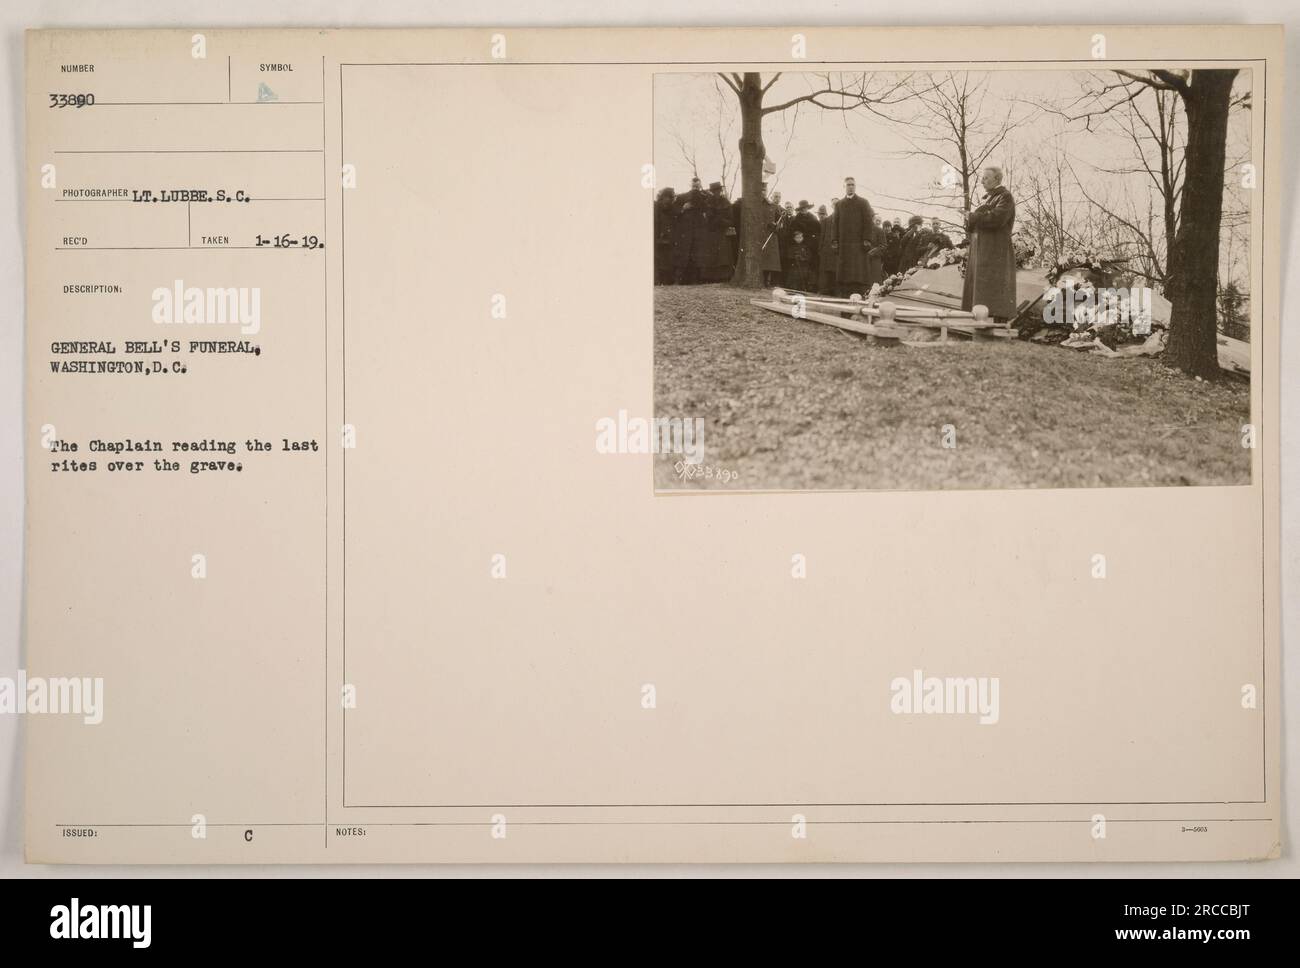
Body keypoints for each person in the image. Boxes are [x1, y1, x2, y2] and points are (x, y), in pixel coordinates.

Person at [961, 166, 1018, 324]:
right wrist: (970, 218)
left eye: (986, 178)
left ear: (997, 179)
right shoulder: (990, 198)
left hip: (996, 252)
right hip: (984, 251)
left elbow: (997, 219)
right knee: (983, 289)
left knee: (994, 289)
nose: (982, 181)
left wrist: (973, 216)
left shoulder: (1005, 197)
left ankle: (996, 323)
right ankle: (981, 320)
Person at [831, 176, 875, 297]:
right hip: (844, 246)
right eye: (848, 185)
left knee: (858, 275)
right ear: (844, 187)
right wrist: (834, 241)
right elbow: (835, 224)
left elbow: (868, 222)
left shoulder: (863, 202)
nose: (850, 187)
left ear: (855, 186)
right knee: (844, 277)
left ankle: (858, 299)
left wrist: (867, 239)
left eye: (852, 185)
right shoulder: (839, 204)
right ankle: (844, 303)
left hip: (858, 246)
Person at [671, 177, 711, 284]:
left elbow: (709, 211)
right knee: (683, 255)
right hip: (685, 231)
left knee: (696, 255)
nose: (695, 188)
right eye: (694, 186)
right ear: (690, 185)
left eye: (697, 186)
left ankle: (695, 280)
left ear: (700, 185)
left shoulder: (705, 198)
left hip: (698, 231)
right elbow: (674, 211)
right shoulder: (682, 197)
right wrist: (683, 208)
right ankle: (678, 280)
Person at [705, 181, 735, 282]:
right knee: (712, 256)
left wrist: (721, 220)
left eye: (718, 190)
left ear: (720, 191)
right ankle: (711, 278)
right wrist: (713, 220)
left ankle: (724, 277)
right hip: (711, 232)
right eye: (714, 191)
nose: (716, 193)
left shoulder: (726, 203)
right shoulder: (708, 202)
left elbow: (731, 220)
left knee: (724, 256)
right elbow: (706, 218)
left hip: (723, 232)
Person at [653, 188, 676, 285]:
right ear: (662, 198)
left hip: (668, 237)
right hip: (659, 236)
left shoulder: (671, 208)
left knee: (666, 259)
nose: (667, 200)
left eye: (669, 198)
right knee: (659, 259)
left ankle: (666, 281)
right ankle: (658, 280)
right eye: (666, 198)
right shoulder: (657, 208)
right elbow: (657, 222)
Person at [818, 200, 838, 294]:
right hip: (827, 251)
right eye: (834, 204)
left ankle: (836, 292)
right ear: (832, 206)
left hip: (839, 252)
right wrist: (821, 249)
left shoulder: (846, 219)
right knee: (825, 272)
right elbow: (822, 236)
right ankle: (824, 291)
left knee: (837, 272)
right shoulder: (826, 220)